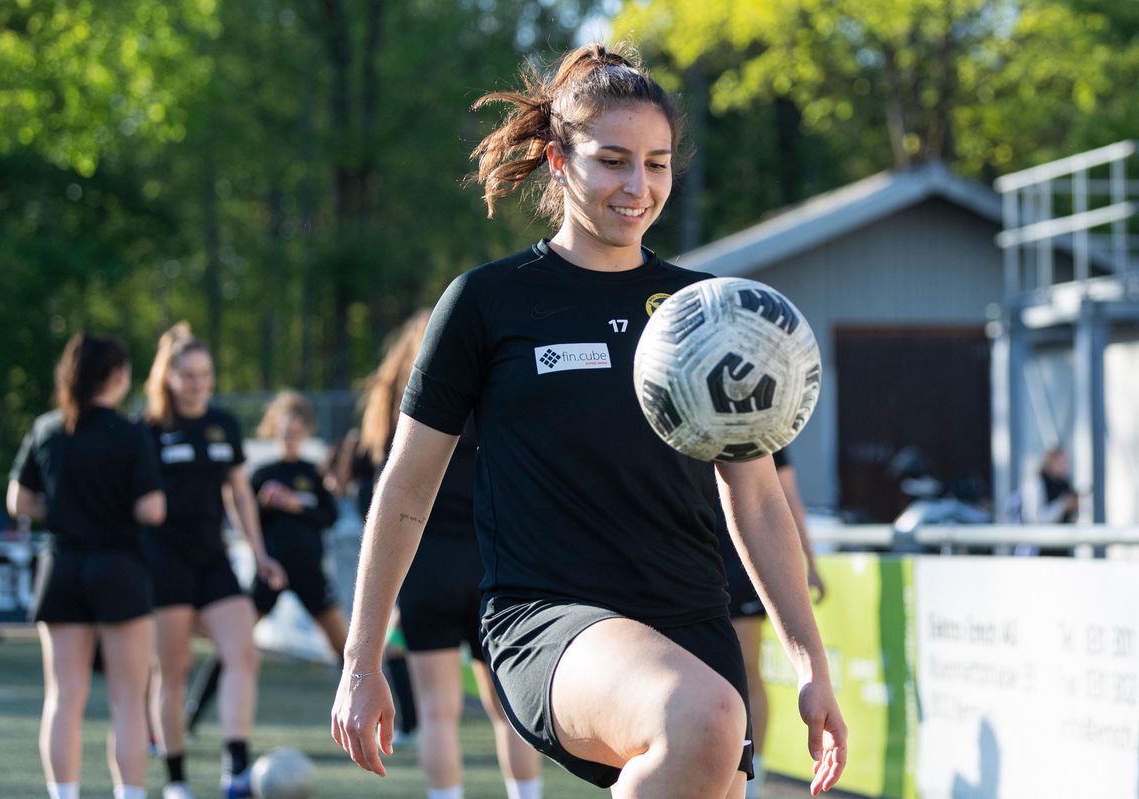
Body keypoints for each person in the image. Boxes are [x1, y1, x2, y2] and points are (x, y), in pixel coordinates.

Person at [331, 42, 847, 799]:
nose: (638, 186)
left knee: (702, 720)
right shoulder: (487, 303)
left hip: (691, 624)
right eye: (613, 160)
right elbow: (406, 486)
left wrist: (811, 665)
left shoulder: (709, 312)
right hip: (547, 617)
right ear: (557, 159)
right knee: (700, 718)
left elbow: (759, 500)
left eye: (658, 163)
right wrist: (362, 659)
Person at [366, 310, 546, 799]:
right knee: (510, 710)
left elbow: (383, 505)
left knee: (437, 712)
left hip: (426, 575)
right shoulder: (485, 403)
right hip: (491, 570)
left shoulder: (392, 423)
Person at [6, 332, 166, 799]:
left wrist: (61, 504)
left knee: (62, 698)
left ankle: (63, 794)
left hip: (61, 567)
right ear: (117, 377)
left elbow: (19, 500)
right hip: (118, 567)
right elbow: (151, 509)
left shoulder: (48, 428)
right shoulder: (130, 433)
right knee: (127, 701)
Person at [143, 322, 286, 799]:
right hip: (164, 564)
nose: (200, 382)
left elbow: (240, 494)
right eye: (189, 375)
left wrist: (260, 554)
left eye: (206, 373)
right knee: (173, 670)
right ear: (168, 377)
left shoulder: (223, 423)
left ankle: (236, 770)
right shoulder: (148, 429)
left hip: (213, 560)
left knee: (243, 653)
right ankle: (177, 780)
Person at [184, 391, 349, 733]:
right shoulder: (261, 475)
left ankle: (373, 719)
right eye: (284, 431)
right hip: (270, 573)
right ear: (274, 430)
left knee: (346, 649)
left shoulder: (312, 474)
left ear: (306, 432)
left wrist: (296, 505)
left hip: (309, 575)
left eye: (297, 432)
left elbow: (329, 517)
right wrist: (262, 504)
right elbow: (244, 516)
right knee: (235, 643)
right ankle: (192, 713)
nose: (290, 438)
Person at [717, 449, 827, 799]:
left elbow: (779, 494)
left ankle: (752, 778)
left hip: (739, 559)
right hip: (682, 556)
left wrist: (809, 561)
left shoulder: (757, 409)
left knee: (746, 672)